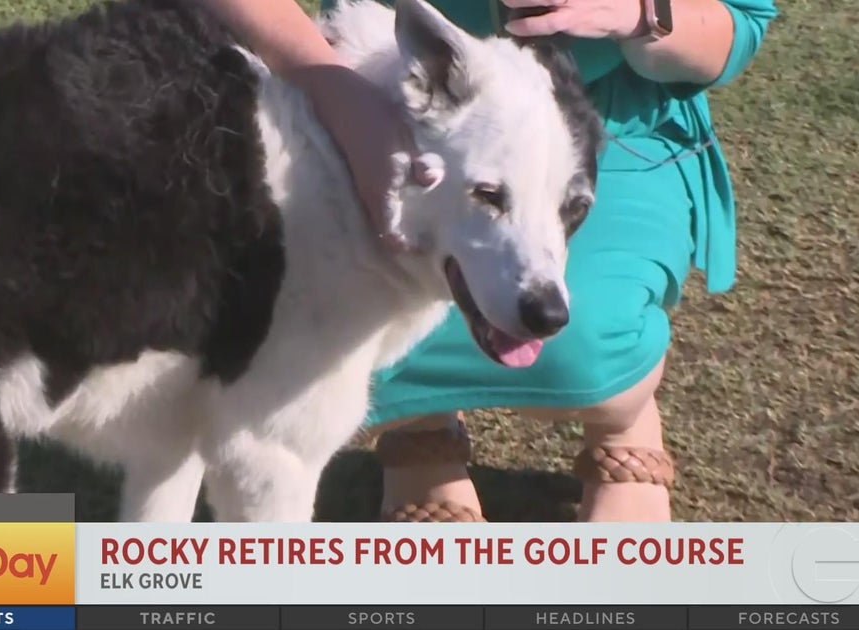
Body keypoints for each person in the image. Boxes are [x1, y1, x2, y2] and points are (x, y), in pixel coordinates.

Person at [203, 0, 778, 522]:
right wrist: (328, 83)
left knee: (580, 341)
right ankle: (422, 438)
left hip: (609, 125)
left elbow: (741, 21)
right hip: (383, 83)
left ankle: (625, 422)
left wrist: (638, 11)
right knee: (337, 332)